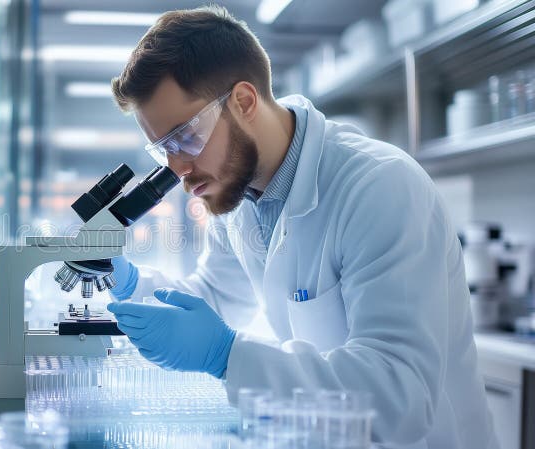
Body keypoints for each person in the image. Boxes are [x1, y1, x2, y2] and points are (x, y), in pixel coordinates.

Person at [103, 6, 497, 448]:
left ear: (244, 102)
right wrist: (127, 283)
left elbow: (397, 396)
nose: (177, 169)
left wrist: (227, 357)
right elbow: (212, 301)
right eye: (163, 150)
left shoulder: (380, 186)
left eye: (185, 138)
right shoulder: (238, 196)